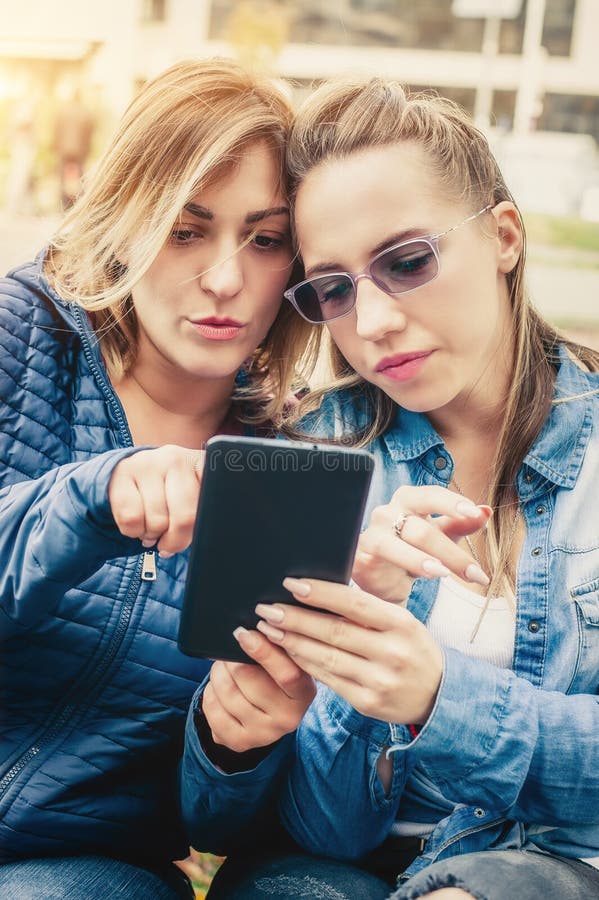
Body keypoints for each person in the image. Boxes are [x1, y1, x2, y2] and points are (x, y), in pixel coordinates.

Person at [181, 76, 599, 900]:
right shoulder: (305, 455)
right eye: (332, 288)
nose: (369, 324)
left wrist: (443, 697)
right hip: (338, 871)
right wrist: (255, 726)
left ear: (504, 236)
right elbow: (282, 828)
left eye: (406, 262)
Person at [0, 58, 319, 899]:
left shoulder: (292, 458)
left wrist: (238, 748)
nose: (224, 280)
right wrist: (84, 498)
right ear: (129, 220)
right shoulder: (16, 337)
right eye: (186, 229)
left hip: (80, 869)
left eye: (264, 238)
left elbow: (219, 830)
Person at [53, 88, 96, 210]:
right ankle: (77, 206)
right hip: (79, 151)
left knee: (63, 177)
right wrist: (87, 150)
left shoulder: (62, 111)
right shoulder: (86, 112)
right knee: (80, 178)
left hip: (64, 150)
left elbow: (56, 129)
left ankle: (63, 206)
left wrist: (56, 146)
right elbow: (89, 132)